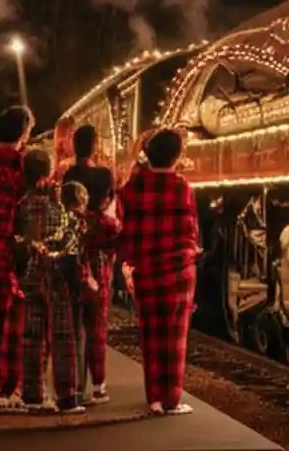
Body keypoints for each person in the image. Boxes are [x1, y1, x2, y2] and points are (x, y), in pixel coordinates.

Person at [117, 128, 201, 416]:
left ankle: (153, 398)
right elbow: (192, 230)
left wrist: (128, 264)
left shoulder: (132, 188)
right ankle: (172, 400)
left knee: (150, 334)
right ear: (177, 156)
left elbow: (125, 230)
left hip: (147, 270)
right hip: (179, 272)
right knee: (175, 337)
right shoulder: (183, 188)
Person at [13, 154, 91, 414]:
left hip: (31, 277)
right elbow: (67, 238)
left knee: (32, 337)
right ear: (47, 174)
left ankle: (32, 395)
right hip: (55, 279)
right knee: (62, 337)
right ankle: (66, 397)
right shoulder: (55, 207)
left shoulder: (23, 204)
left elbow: (19, 238)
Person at [0, 105, 33, 412]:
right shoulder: (20, 163)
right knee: (16, 321)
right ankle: (10, 390)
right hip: (14, 249)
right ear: (23, 131)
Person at [61, 124, 121, 404]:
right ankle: (98, 386)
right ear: (95, 146)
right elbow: (113, 211)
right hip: (99, 261)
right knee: (97, 325)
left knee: (74, 325)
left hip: (73, 259)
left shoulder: (69, 175)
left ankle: (75, 386)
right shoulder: (104, 175)